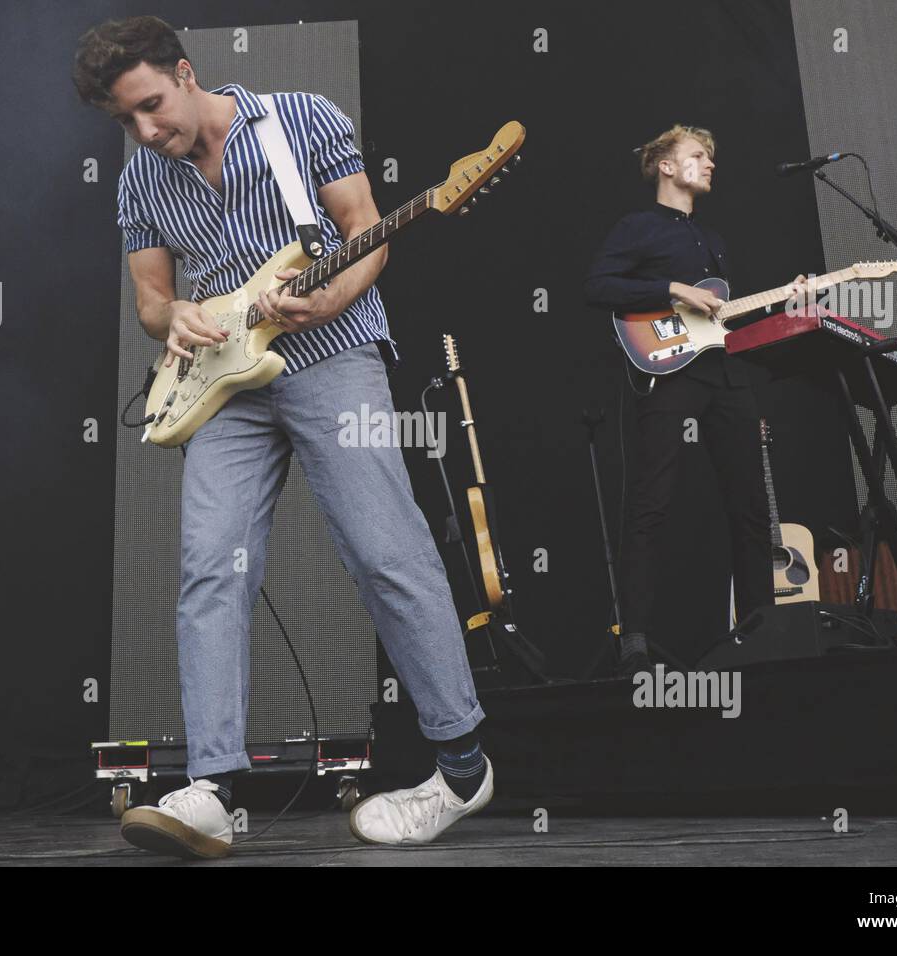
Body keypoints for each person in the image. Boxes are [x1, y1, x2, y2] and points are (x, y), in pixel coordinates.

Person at [72, 15, 491, 858]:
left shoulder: (301, 117)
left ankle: (462, 764)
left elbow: (365, 233)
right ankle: (213, 790)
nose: (146, 131)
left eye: (152, 106)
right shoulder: (140, 181)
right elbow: (152, 299)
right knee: (208, 570)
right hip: (225, 383)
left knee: (387, 554)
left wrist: (330, 298)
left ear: (186, 73)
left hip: (333, 353)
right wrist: (174, 315)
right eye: (126, 121)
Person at [585, 124, 800, 676]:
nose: (710, 164)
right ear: (665, 165)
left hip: (727, 377)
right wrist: (672, 289)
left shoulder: (716, 240)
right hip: (672, 376)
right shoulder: (637, 227)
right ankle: (634, 639)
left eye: (710, 158)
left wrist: (789, 303)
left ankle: (762, 630)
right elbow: (598, 286)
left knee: (751, 509)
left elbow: (726, 318)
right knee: (650, 504)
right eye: (698, 156)